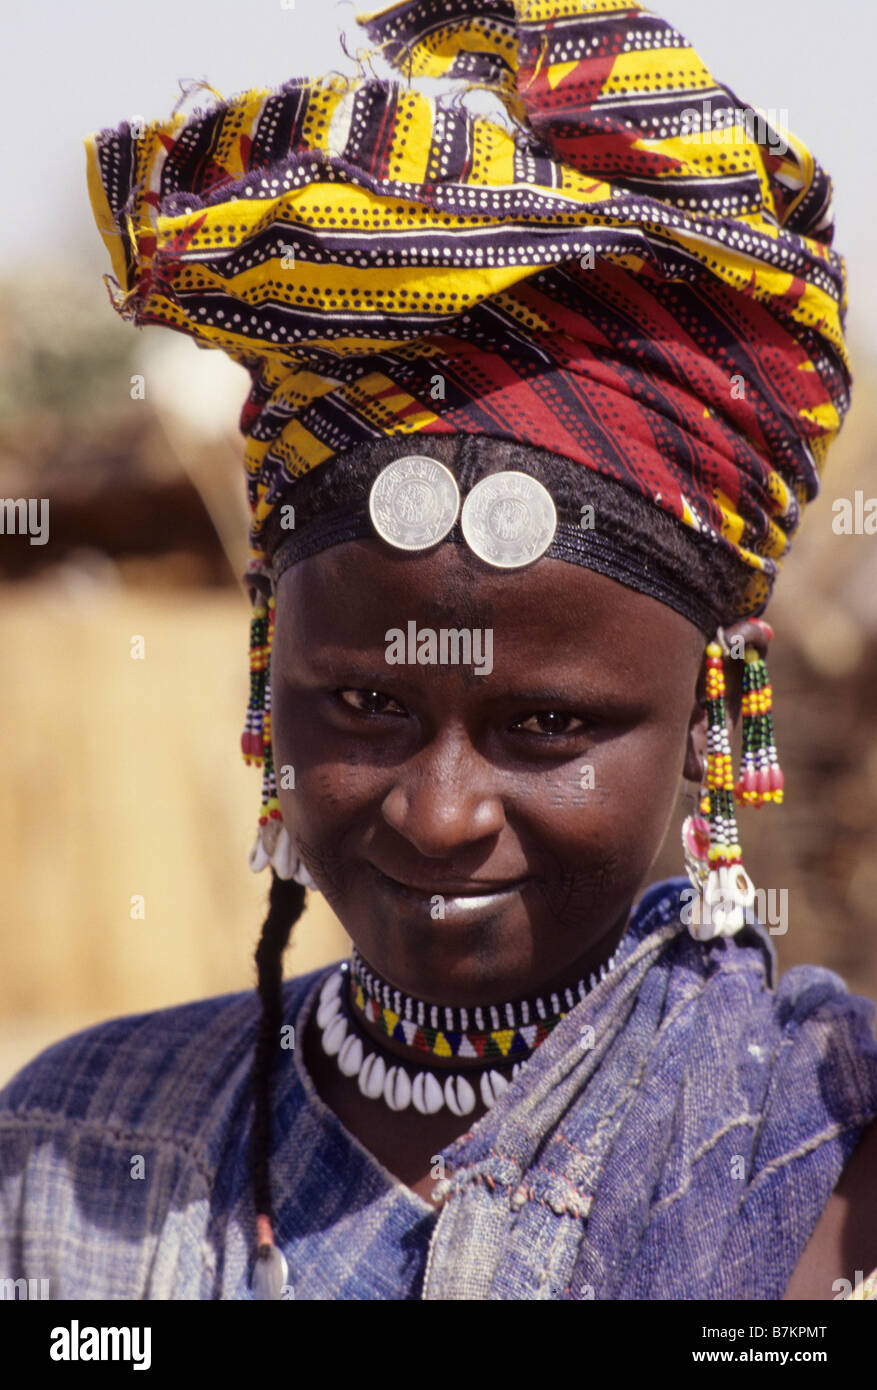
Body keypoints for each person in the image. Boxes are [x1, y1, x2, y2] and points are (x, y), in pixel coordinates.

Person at [2, 0, 877, 1300]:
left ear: (713, 711)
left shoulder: (824, 1161)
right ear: (266, 675)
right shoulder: (74, 1151)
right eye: (362, 701)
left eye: (543, 727)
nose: (438, 811)